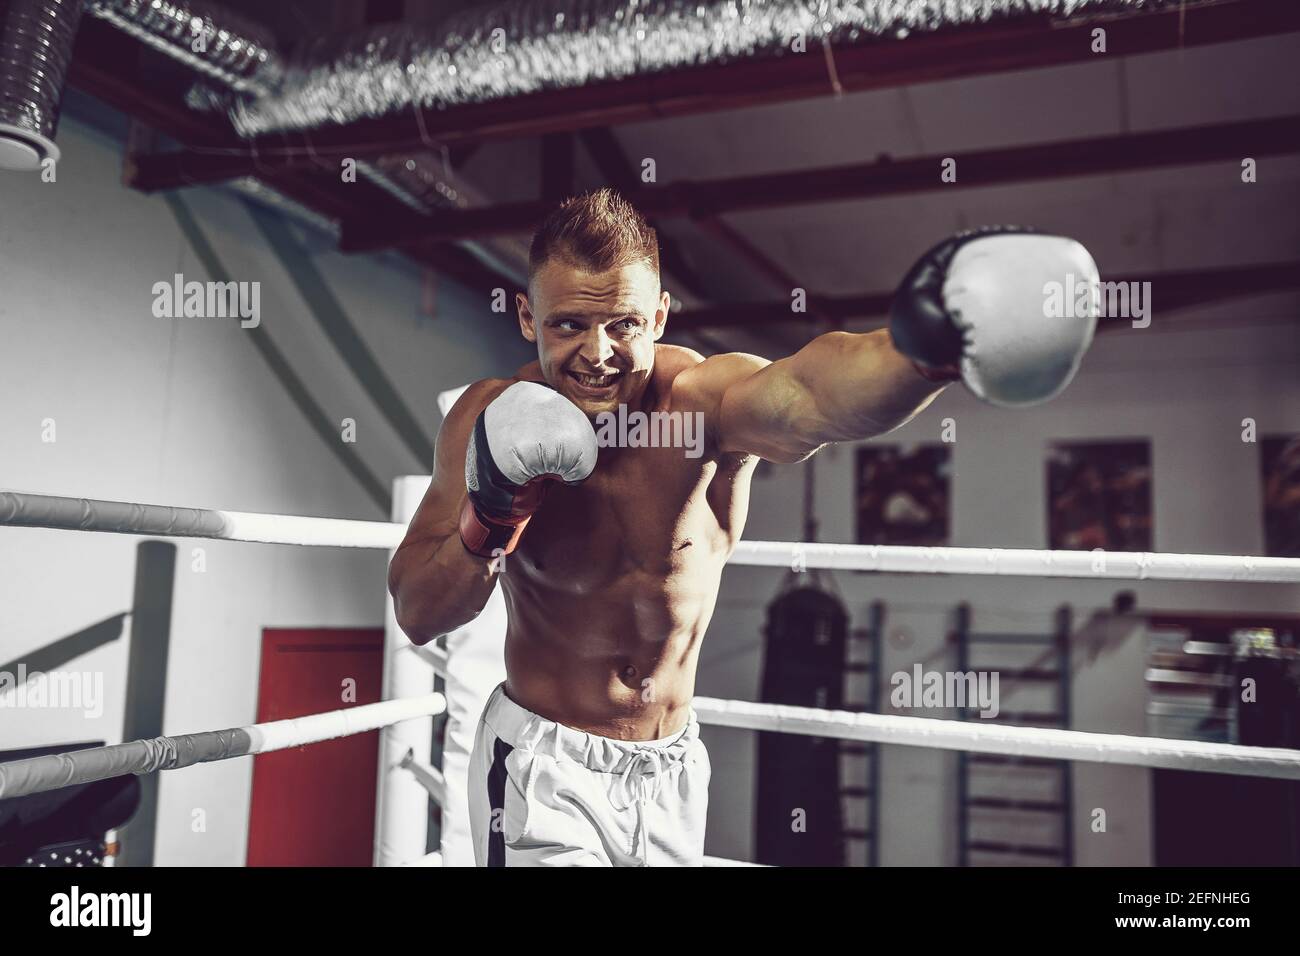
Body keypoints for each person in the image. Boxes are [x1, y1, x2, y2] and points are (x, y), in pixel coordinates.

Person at [388, 188, 1098, 866]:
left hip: (669, 773)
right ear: (526, 316)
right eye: (568, 323)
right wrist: (492, 517)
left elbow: (810, 394)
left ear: (660, 317)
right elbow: (419, 612)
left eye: (623, 325)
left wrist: (920, 354)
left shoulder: (697, 405)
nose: (597, 354)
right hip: (541, 772)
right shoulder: (490, 417)